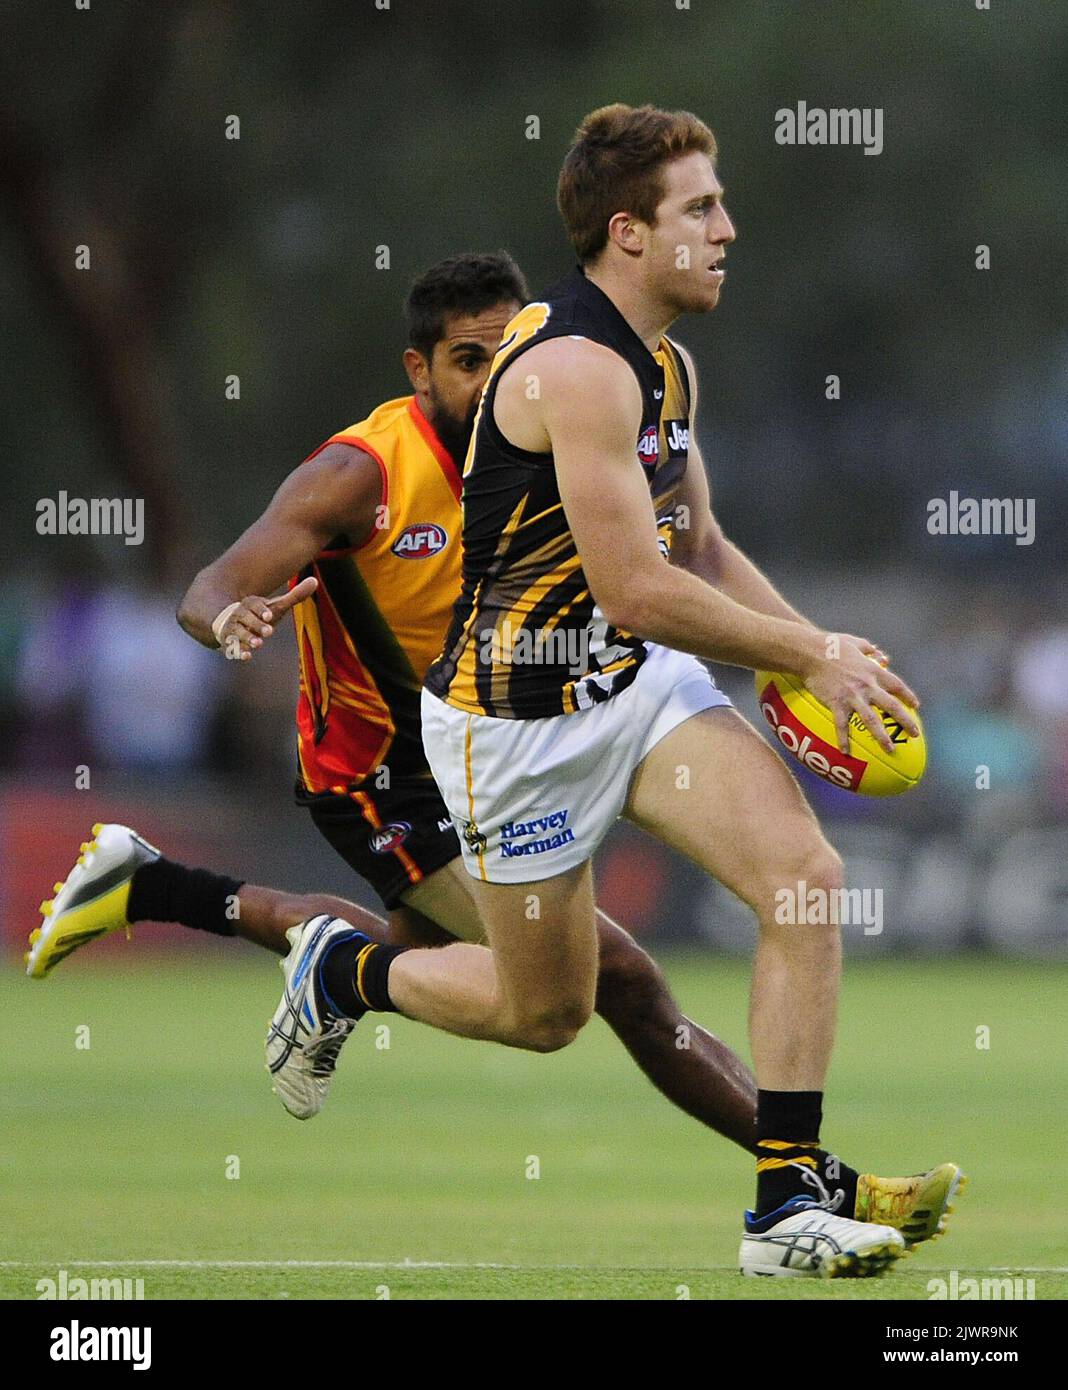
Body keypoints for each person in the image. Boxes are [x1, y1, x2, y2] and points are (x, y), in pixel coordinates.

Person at [27, 248, 960, 1275]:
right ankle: (815, 1187)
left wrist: (806, 652)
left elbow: (680, 551)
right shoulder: (361, 474)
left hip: (521, 732)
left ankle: (158, 885)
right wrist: (230, 617)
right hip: (383, 769)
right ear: (418, 370)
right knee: (612, 984)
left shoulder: (564, 417)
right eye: (465, 360)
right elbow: (212, 582)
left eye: (502, 350)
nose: (489, 378)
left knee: (502, 973)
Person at [269, 106, 961, 1278]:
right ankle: (346, 971)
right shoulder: (576, 372)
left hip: (630, 692)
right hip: (514, 730)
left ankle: (784, 1205)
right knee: (542, 1015)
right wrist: (803, 659)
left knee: (804, 878)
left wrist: (819, 643)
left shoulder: (665, 366)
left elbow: (697, 545)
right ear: (630, 235)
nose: (729, 229)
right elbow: (636, 586)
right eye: (703, 208)